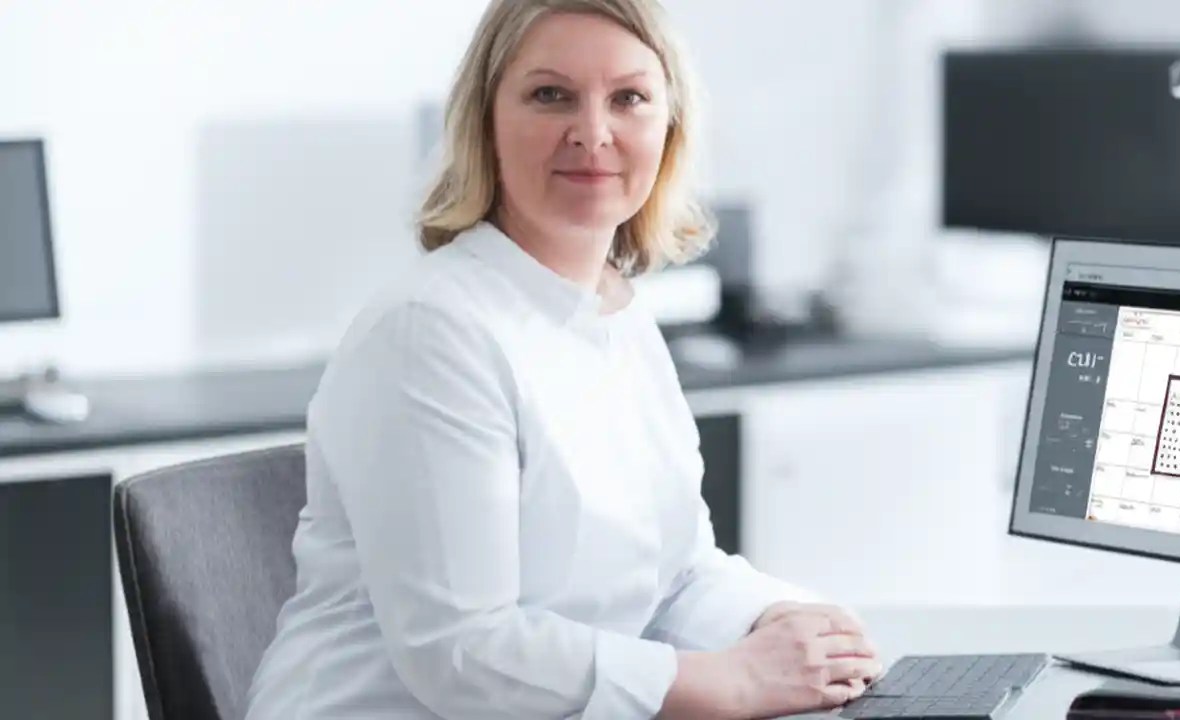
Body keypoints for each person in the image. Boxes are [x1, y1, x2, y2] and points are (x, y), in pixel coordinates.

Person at [244, 1, 881, 718]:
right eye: (551, 95)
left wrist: (787, 623)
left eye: (629, 99)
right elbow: (464, 652)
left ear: (669, 128)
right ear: (485, 122)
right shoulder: (431, 330)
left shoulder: (618, 315)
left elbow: (674, 577)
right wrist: (733, 682)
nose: (593, 132)